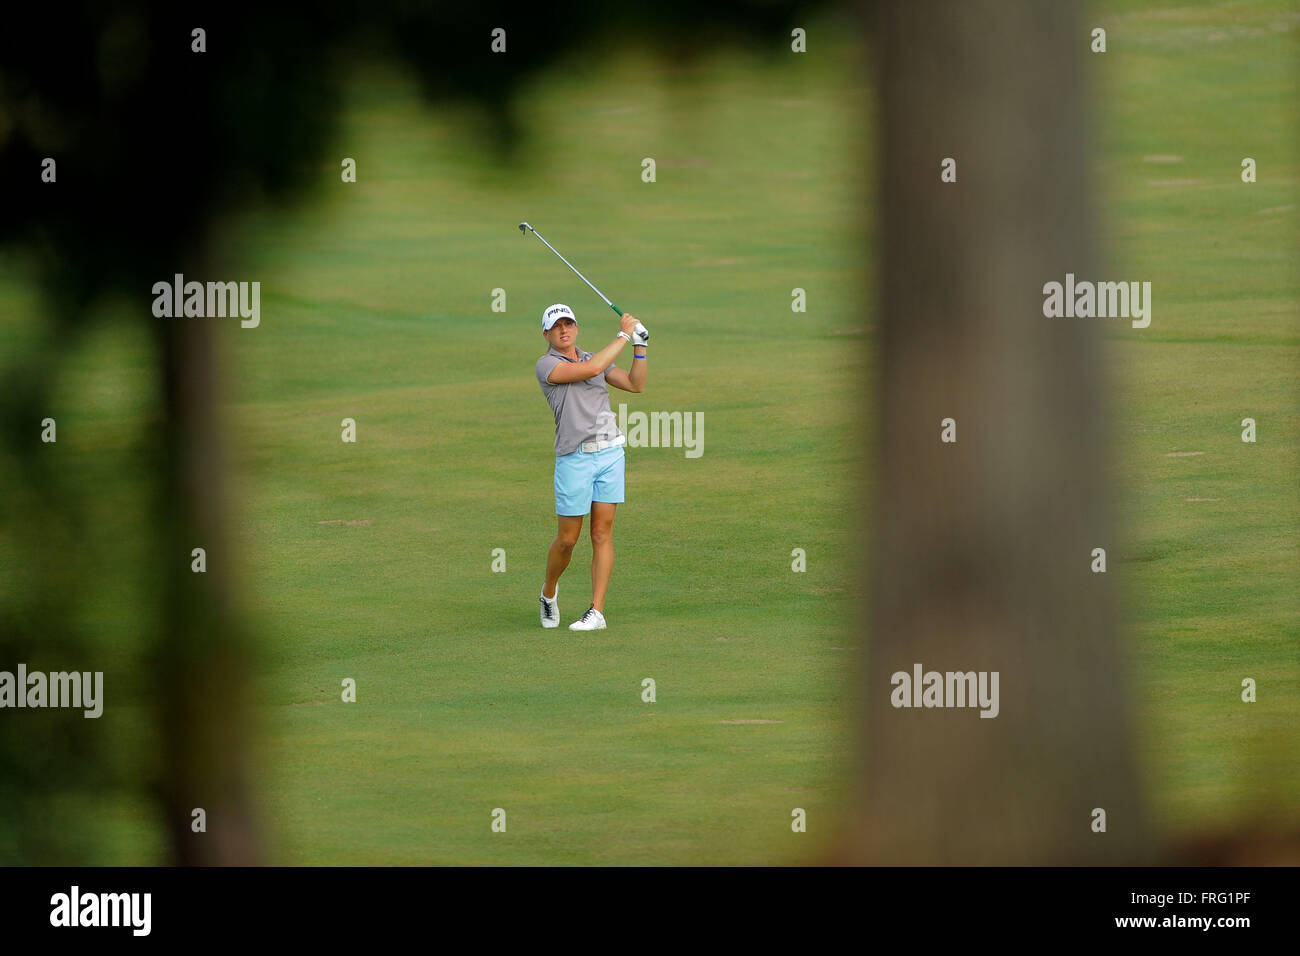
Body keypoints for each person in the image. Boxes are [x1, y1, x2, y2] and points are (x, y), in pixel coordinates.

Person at [534, 303, 648, 630]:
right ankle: (549, 590)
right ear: (547, 334)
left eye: (568, 324)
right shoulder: (546, 365)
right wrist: (624, 334)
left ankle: (596, 611)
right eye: (557, 327)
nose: (564, 330)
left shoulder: (593, 359)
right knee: (568, 539)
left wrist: (640, 347)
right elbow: (591, 369)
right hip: (574, 457)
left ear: (577, 328)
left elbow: (634, 384)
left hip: (610, 452)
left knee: (602, 532)